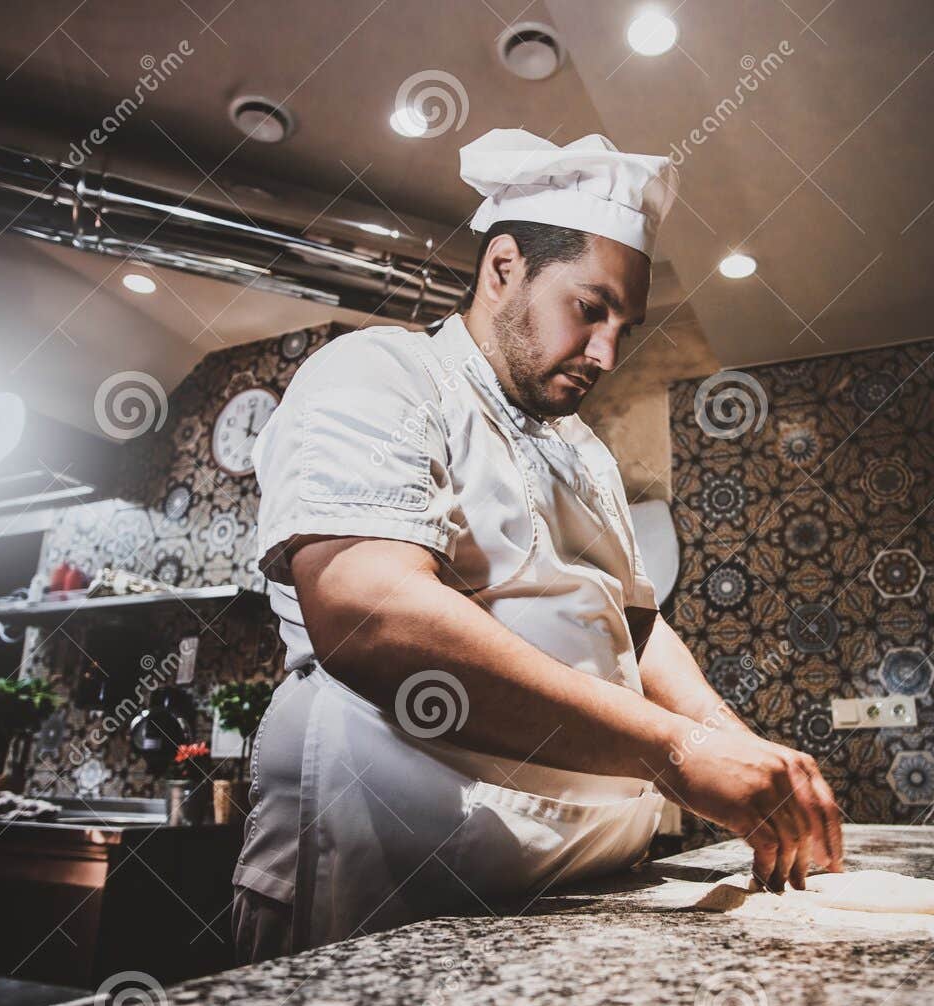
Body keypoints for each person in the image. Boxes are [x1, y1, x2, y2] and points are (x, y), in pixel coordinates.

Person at [231, 128, 842, 960]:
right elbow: (370, 612)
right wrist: (673, 751)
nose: (608, 353)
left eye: (624, 324)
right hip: (398, 887)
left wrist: (730, 737)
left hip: (583, 888)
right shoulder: (380, 374)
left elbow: (637, 627)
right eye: (590, 310)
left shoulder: (583, 450)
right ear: (503, 266)